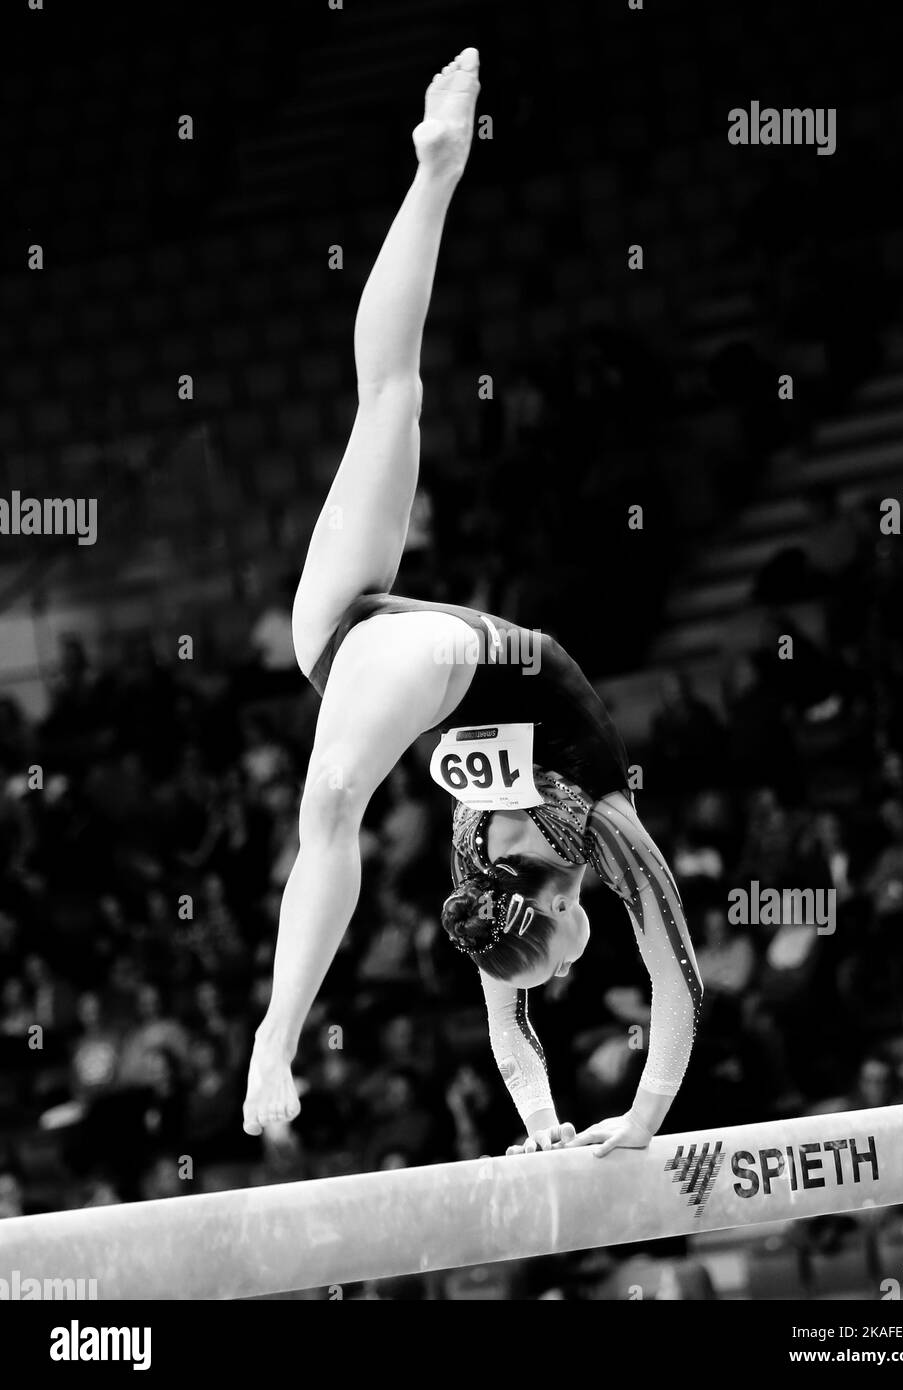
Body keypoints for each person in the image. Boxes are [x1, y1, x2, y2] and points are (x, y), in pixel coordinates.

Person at [242, 49, 701, 1158]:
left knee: (334, 806)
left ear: (541, 917)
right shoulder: (595, 824)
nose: (568, 968)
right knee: (387, 398)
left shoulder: (497, 873)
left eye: (551, 965)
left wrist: (588, 1124)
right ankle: (435, 168)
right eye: (550, 968)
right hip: (398, 650)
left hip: (395, 655)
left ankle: (274, 1035)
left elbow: (557, 1007)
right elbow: (676, 976)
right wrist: (606, 1127)